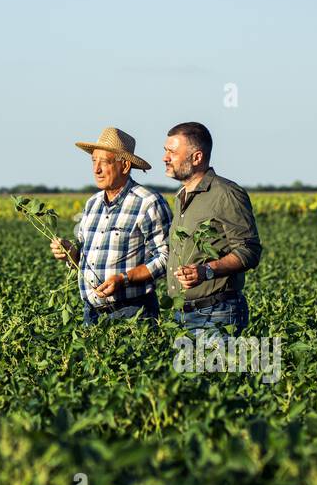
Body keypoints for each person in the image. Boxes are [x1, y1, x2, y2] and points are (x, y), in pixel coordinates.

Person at [49, 127, 170, 325]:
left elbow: (167, 258)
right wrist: (70, 252)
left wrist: (123, 279)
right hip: (92, 313)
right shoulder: (92, 204)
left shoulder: (148, 202)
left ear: (124, 166)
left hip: (133, 312)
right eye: (93, 161)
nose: (96, 169)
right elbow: (83, 258)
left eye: (104, 162)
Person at [159, 121, 262, 330]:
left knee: (217, 365)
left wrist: (206, 271)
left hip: (216, 314)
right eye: (165, 151)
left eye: (172, 152)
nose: (165, 158)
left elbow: (249, 250)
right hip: (181, 314)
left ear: (197, 157)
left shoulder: (226, 194)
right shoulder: (181, 196)